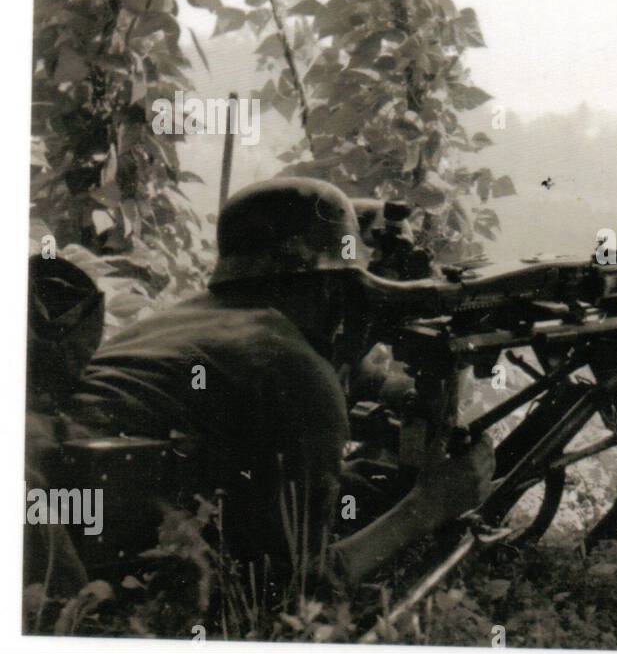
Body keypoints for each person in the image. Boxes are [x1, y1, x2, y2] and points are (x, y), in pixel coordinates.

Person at [40, 178, 492, 591]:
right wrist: (428, 506)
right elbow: (294, 586)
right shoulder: (290, 366)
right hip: (67, 550)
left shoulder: (185, 317)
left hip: (51, 494)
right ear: (332, 287)